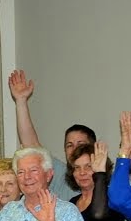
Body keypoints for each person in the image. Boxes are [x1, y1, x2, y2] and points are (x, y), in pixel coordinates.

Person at [7, 69, 94, 200]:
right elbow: (31, 145)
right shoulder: (59, 174)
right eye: (69, 145)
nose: (74, 149)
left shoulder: (104, 179)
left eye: (80, 144)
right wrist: (21, 101)